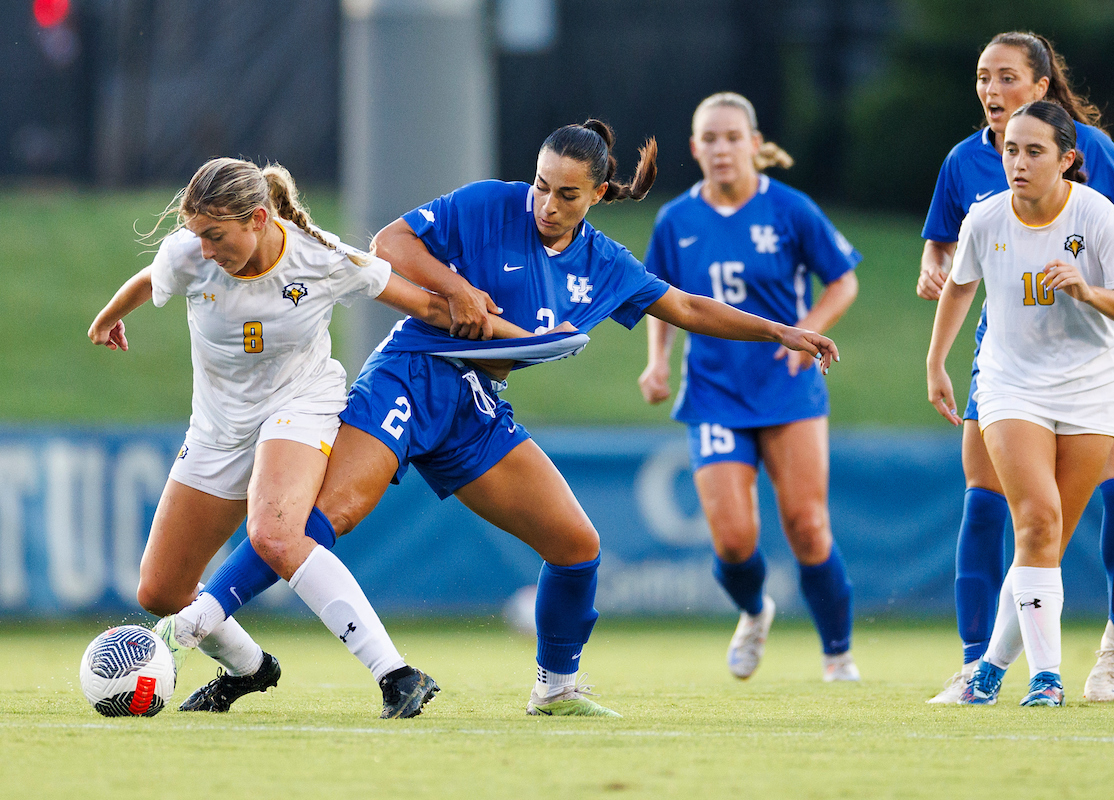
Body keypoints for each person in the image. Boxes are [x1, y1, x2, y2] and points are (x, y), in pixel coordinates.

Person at [163, 119, 840, 718]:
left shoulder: (605, 264)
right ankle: (192, 628)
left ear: (597, 196)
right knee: (320, 520)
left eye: (566, 194)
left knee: (577, 546)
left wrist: (781, 331)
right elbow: (389, 241)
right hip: (414, 370)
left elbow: (688, 309)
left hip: (476, 407)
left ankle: (555, 688)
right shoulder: (490, 203)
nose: (546, 204)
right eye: (542, 186)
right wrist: (454, 287)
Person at [88, 157, 527, 718]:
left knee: (275, 534)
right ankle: (251, 668)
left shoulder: (321, 257)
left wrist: (525, 339)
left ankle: (395, 673)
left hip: (300, 405)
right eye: (196, 234)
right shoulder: (188, 254)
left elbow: (423, 305)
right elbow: (154, 277)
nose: (202, 248)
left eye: (214, 235)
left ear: (257, 218)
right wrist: (109, 316)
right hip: (218, 429)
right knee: (160, 593)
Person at [917, 31, 1114, 704]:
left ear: (1041, 89)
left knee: (1100, 512)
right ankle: (1005, 668)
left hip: (1091, 372)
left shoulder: (1089, 167)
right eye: (983, 77)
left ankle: (1111, 644)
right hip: (1004, 368)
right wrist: (937, 354)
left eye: (1006, 77)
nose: (991, 90)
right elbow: (950, 266)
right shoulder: (968, 173)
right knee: (1004, 513)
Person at [638, 93, 860, 682]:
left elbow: (843, 281)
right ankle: (755, 610)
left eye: (732, 137)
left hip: (788, 391)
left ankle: (838, 654)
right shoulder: (676, 220)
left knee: (808, 527)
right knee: (734, 542)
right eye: (709, 139)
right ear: (695, 148)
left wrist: (807, 331)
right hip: (713, 392)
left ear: (754, 144)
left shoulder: (790, 209)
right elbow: (663, 303)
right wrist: (657, 361)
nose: (721, 149)